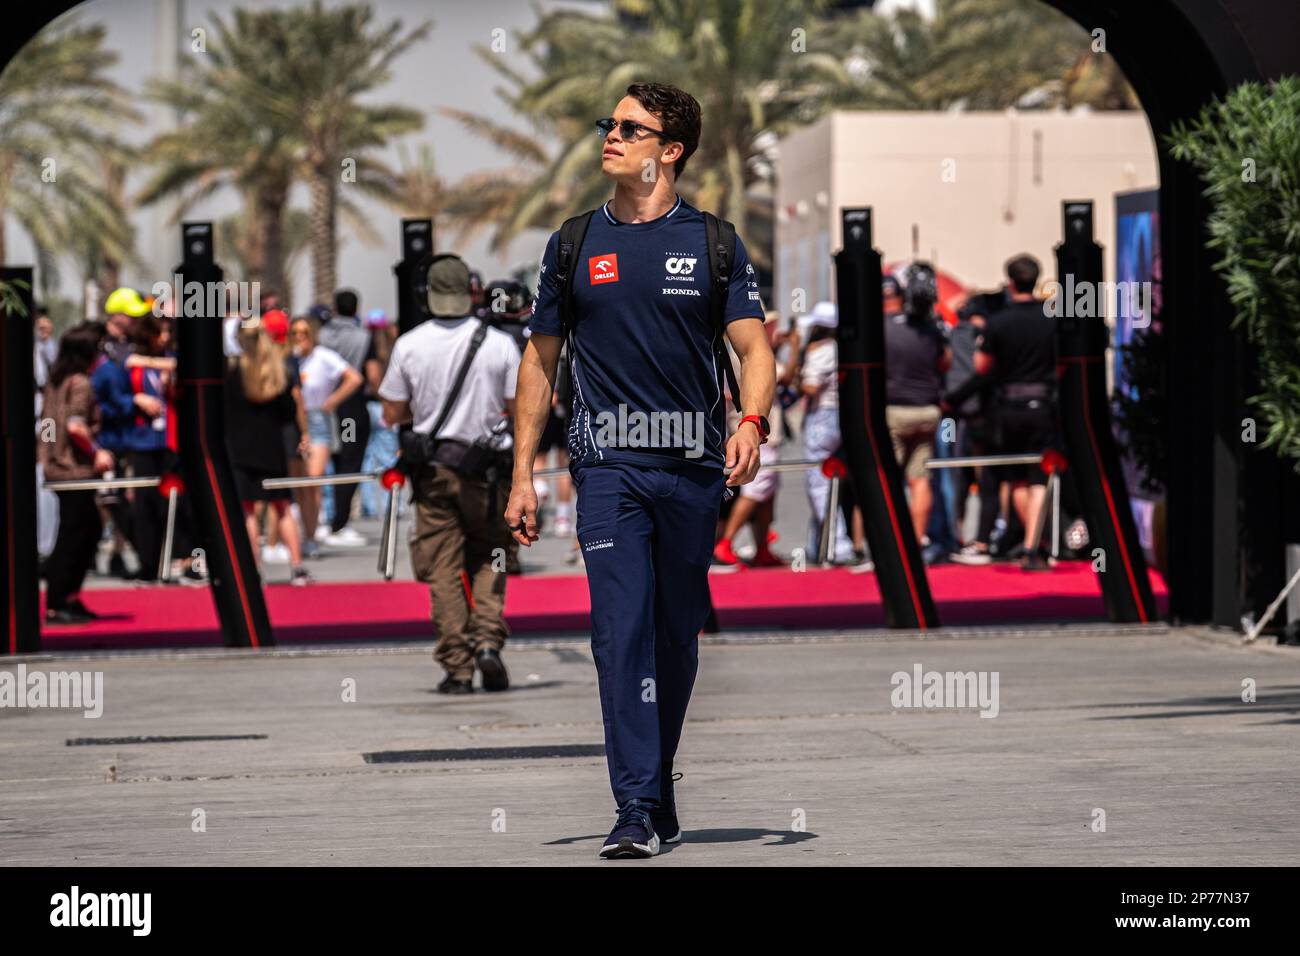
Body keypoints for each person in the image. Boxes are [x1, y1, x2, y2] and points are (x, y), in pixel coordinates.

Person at [507, 82, 776, 859]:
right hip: (607, 467)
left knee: (673, 637)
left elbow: (754, 351)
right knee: (618, 632)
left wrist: (750, 422)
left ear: (671, 150)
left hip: (693, 469)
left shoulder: (714, 242)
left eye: (631, 128)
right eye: (609, 124)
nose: (611, 136)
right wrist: (524, 472)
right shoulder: (573, 242)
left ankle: (655, 791)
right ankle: (633, 806)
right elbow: (540, 361)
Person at [379, 254, 520, 694]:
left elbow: (390, 412)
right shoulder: (500, 344)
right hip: (489, 472)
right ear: (471, 293)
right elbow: (520, 410)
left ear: (428, 296)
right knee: (491, 556)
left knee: (442, 568)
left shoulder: (409, 344)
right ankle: (487, 643)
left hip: (435, 472)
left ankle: (457, 666)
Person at [976, 254, 1058, 571]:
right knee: (1039, 477)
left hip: (1009, 407)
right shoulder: (1052, 318)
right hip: (1043, 405)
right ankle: (1034, 544)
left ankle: (1031, 542)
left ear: (1010, 283)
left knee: (1017, 479)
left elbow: (982, 367)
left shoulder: (998, 321)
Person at [39, 323, 116, 624]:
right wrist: (97, 452)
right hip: (75, 470)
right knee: (75, 536)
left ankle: (66, 597)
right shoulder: (81, 383)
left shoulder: (56, 381)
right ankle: (59, 601)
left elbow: (47, 425)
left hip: (57, 467)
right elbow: (75, 425)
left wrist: (47, 455)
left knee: (80, 531)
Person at [225, 320, 312, 585]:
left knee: (247, 509)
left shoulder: (232, 372)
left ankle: (253, 569)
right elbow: (289, 410)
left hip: (239, 447)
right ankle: (297, 566)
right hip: (271, 447)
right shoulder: (279, 372)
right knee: (282, 506)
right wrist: (302, 434)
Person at [884, 263, 952, 555]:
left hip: (894, 411)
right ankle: (915, 543)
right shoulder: (929, 327)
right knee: (920, 479)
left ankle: (889, 545)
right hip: (927, 411)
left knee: (887, 479)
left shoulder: (880, 329)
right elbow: (945, 363)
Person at [713, 311, 786, 567]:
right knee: (754, 489)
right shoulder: (737, 352)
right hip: (749, 429)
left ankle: (761, 545)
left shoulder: (751, 349)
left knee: (766, 490)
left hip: (759, 428)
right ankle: (726, 541)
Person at [291, 316, 363, 549]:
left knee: (313, 478)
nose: (300, 338)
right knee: (299, 483)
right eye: (295, 333)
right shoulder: (291, 359)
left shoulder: (323, 356)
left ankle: (312, 534)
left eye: (304, 333)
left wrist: (332, 401)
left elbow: (354, 377)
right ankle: (306, 530)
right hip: (295, 421)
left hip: (318, 418)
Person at [800, 302, 860, 565]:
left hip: (822, 416)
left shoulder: (821, 351)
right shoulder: (846, 349)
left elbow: (812, 387)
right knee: (835, 482)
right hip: (844, 415)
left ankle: (837, 545)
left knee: (819, 483)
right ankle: (819, 544)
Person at [317, 288, 376, 545]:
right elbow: (372, 375)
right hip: (351, 407)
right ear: (356, 309)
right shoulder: (363, 337)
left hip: (322, 404)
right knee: (349, 463)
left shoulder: (321, 335)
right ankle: (339, 522)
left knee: (322, 461)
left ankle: (319, 519)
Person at [359, 309, 401, 520]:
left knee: (368, 458)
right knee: (388, 458)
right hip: (385, 407)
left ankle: (369, 506)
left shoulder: (369, 347)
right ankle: (391, 504)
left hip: (369, 406)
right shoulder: (393, 349)